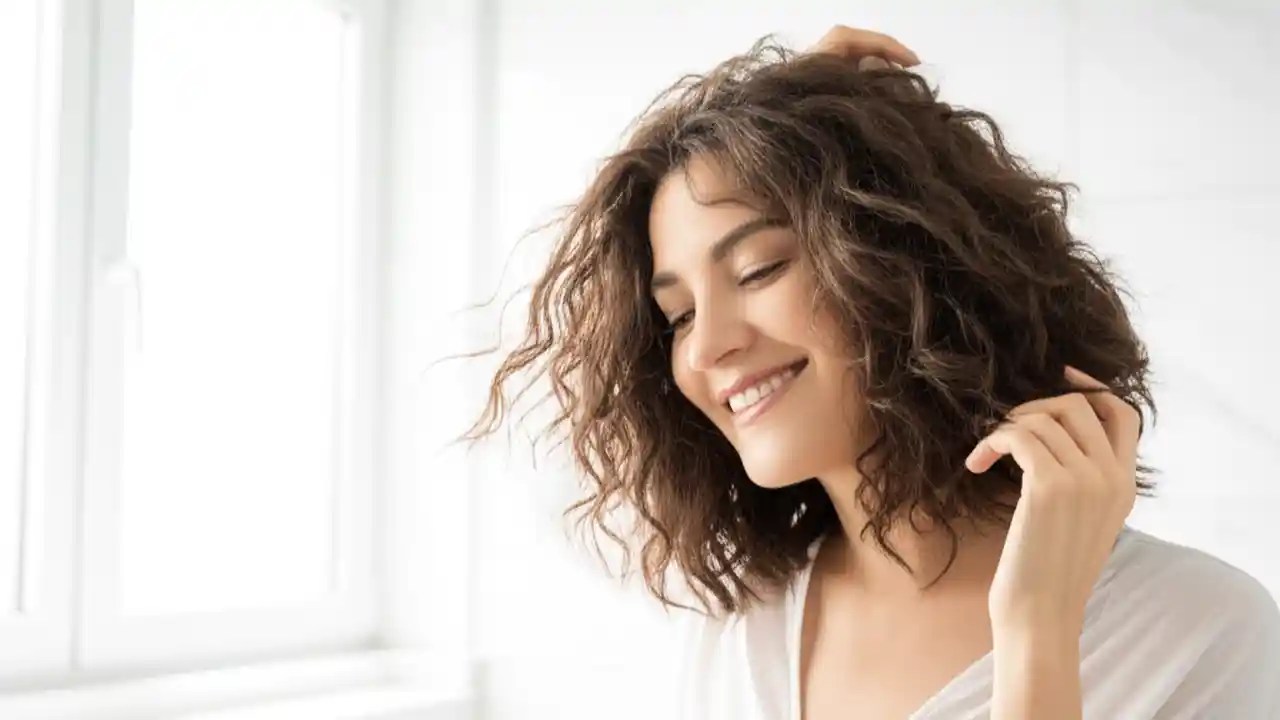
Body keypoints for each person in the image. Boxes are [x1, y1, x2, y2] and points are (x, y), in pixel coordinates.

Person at [462, 24, 1280, 719]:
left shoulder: (1199, 630)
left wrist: (1037, 631)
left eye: (757, 271)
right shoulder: (746, 620)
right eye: (676, 315)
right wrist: (783, 111)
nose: (707, 346)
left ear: (900, 259)